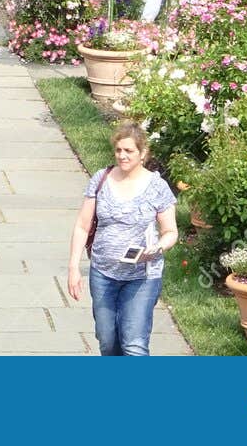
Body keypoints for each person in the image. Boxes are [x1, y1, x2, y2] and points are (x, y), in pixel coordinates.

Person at [67, 122, 178, 356]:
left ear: (142, 153)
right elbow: (82, 226)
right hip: (103, 273)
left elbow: (171, 231)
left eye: (129, 151)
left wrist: (158, 247)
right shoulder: (102, 179)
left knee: (134, 345)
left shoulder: (156, 186)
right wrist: (73, 267)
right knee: (108, 343)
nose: (122, 156)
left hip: (142, 276)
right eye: (119, 150)